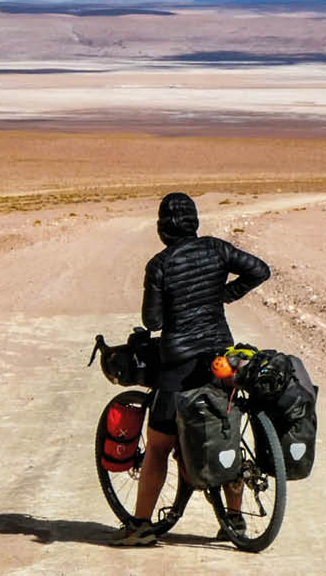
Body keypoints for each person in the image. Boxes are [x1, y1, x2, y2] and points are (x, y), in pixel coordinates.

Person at [111, 191, 271, 547]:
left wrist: (178, 307)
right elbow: (260, 270)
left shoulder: (160, 264)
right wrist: (222, 295)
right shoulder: (216, 249)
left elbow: (151, 320)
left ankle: (141, 525)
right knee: (226, 431)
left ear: (162, 228)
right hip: (219, 356)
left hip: (177, 365)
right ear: (194, 222)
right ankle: (234, 519)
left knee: (157, 445)